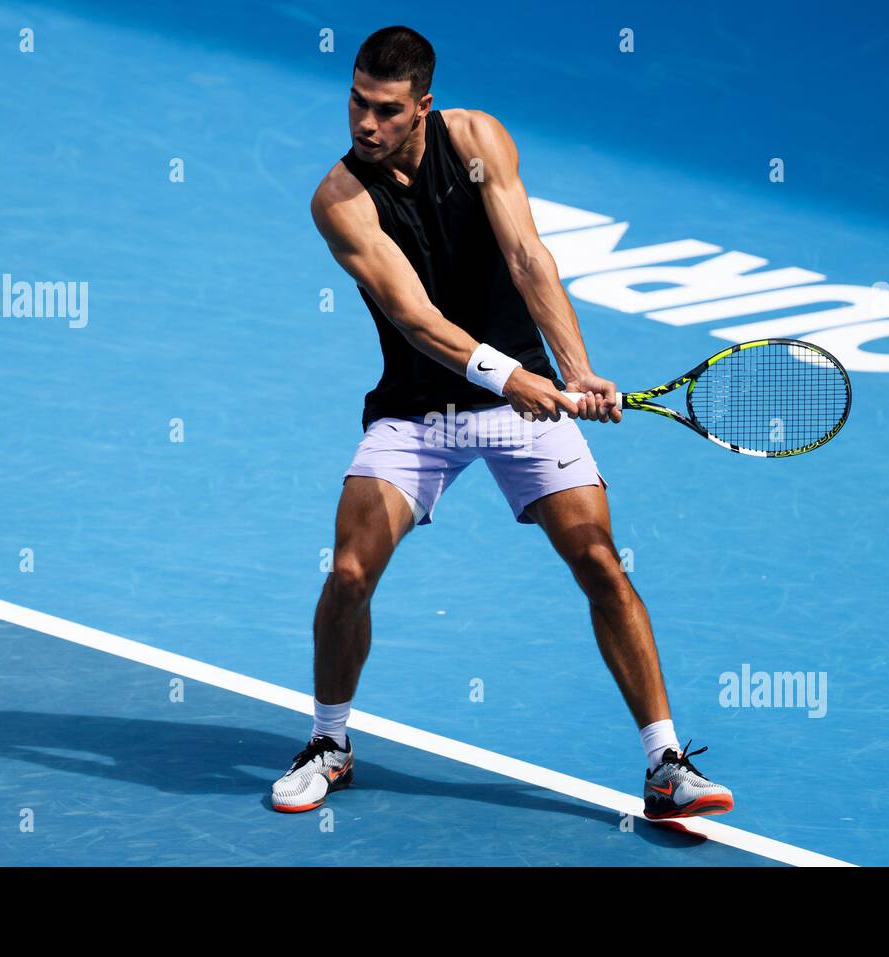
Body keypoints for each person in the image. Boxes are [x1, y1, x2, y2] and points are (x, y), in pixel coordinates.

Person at [271, 25, 732, 822]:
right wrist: (511, 376)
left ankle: (665, 765)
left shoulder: (479, 139)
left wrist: (576, 369)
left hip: (527, 402)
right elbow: (414, 318)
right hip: (420, 411)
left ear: (424, 108)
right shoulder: (339, 199)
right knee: (349, 571)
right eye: (355, 102)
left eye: (385, 110)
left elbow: (528, 258)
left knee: (600, 563)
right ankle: (329, 742)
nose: (364, 124)